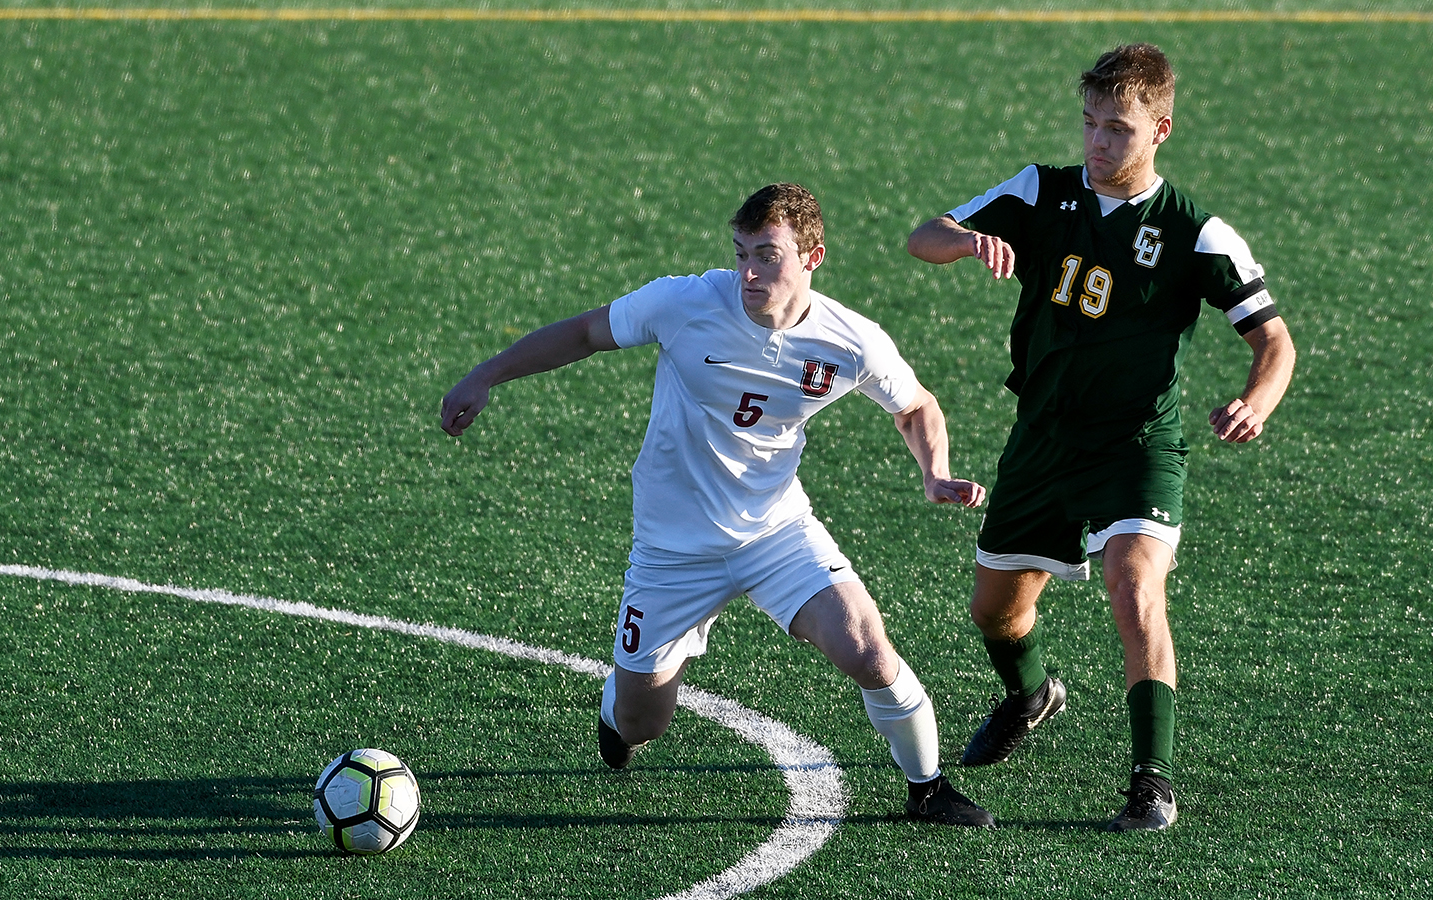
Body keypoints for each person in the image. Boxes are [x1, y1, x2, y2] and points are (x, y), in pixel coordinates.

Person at [442, 183, 995, 826]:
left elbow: (916, 406)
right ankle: (617, 705)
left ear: (812, 257)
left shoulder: (851, 343)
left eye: (768, 255)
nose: (749, 273)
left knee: (868, 650)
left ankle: (926, 787)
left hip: (776, 532)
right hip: (672, 552)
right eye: (740, 254)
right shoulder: (685, 303)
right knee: (640, 724)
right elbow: (586, 332)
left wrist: (935, 472)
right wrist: (486, 374)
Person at [906, 44, 1296, 831]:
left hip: (1138, 446)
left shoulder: (1198, 233)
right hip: (1043, 439)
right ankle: (1031, 692)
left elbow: (1275, 342)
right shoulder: (1041, 192)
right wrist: (966, 241)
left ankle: (1153, 782)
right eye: (1089, 124)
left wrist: (1257, 400)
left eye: (1117, 129)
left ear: (1161, 130)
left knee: (1133, 585)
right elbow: (924, 234)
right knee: (996, 615)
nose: (1097, 143)